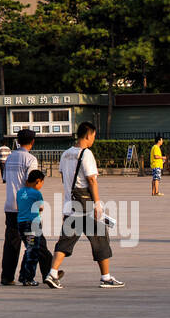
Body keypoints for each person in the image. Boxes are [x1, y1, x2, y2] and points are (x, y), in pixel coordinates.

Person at [45, 122, 123, 289]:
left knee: (65, 240)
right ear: (88, 135)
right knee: (100, 236)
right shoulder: (86, 154)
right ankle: (106, 277)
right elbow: (91, 180)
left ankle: (52, 273)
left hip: (70, 204)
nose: (94, 139)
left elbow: (64, 178)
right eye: (94, 136)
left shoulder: (65, 154)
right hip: (84, 204)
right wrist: (97, 204)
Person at [0, 129, 38, 285]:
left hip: (10, 206)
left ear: (18, 141)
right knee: (33, 242)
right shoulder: (31, 159)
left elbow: (5, 179)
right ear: (33, 142)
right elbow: (32, 184)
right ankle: (33, 275)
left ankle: (7, 277)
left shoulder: (9, 159)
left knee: (11, 243)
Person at [16, 170, 52, 285]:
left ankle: (23, 276)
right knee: (33, 252)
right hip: (32, 225)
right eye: (42, 182)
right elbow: (40, 207)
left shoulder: (20, 192)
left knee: (29, 249)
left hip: (21, 224)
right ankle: (28, 278)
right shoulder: (37, 193)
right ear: (38, 181)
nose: (41, 185)